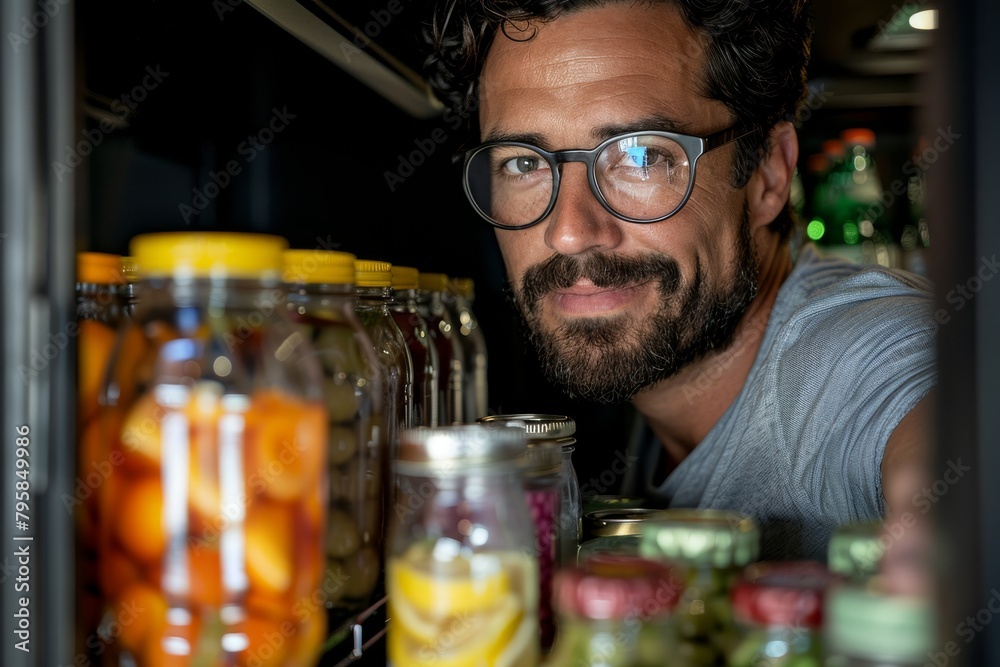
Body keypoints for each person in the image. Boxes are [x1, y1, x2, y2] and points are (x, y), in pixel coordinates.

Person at [422, 0, 937, 561]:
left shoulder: (854, 357)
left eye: (641, 157)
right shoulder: (662, 371)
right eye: (524, 163)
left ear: (768, 174)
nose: (568, 233)